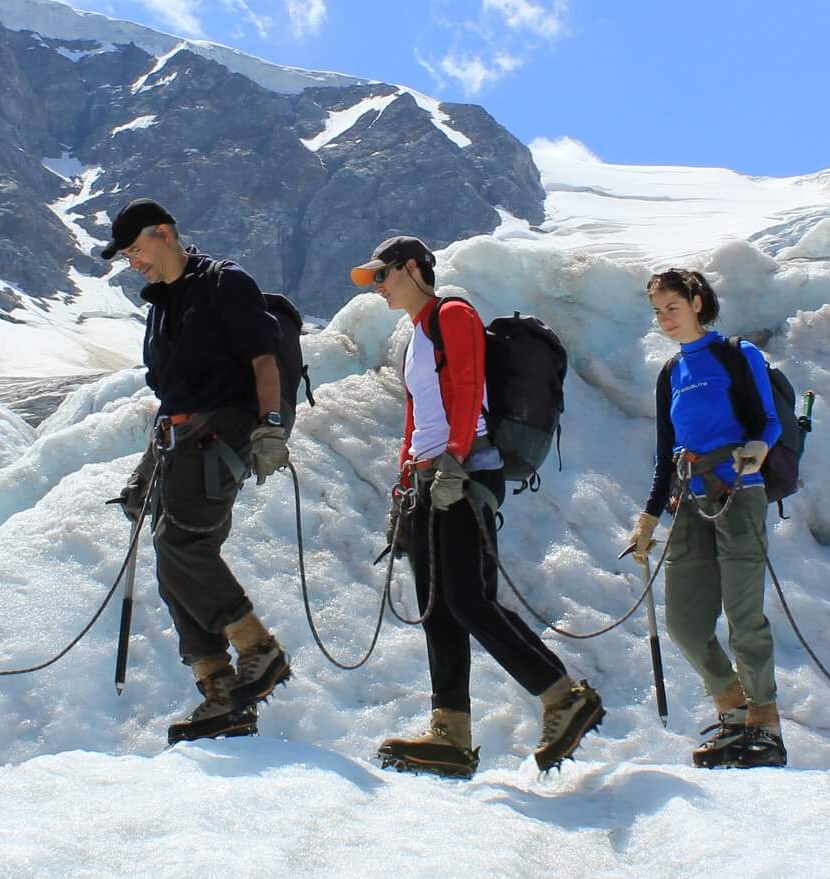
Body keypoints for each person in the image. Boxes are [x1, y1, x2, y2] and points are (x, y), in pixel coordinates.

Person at [357, 234, 606, 779]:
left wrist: (455, 459)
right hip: (430, 476)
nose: (377, 286)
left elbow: (469, 387)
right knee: (436, 605)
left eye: (383, 275)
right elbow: (418, 415)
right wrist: (407, 481)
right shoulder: (418, 334)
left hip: (463, 472)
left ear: (414, 269)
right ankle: (450, 733)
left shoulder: (453, 314)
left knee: (468, 599)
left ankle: (564, 696)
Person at [103, 201, 295, 744]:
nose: (132, 262)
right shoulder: (162, 307)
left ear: (165, 233)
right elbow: (169, 398)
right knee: (173, 562)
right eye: (126, 256)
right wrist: (145, 471)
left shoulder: (224, 282)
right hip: (181, 441)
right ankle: (221, 695)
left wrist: (271, 427)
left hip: (226, 430)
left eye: (136, 250)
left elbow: (264, 359)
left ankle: (259, 649)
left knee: (182, 543)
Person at [623, 269, 788, 768]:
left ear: (697, 301)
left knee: (744, 618)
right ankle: (733, 710)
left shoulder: (738, 356)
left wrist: (759, 447)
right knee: (685, 623)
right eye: (657, 311)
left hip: (739, 491)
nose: (664, 319)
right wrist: (649, 519)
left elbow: (769, 420)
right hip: (688, 502)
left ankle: (765, 724)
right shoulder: (671, 372)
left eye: (671, 307)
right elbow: (663, 452)